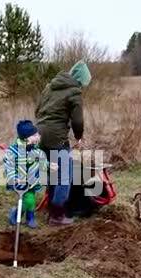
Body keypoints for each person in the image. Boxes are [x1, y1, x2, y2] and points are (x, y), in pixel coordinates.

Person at [35, 60, 92, 226]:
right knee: (64, 175)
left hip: (38, 133)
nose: (83, 87)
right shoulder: (74, 92)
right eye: (84, 84)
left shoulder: (49, 87)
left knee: (52, 171)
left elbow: (37, 110)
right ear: (80, 81)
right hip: (56, 137)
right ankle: (57, 215)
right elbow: (77, 120)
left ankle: (50, 207)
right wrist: (78, 136)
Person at [3, 120, 45, 229]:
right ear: (27, 138)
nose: (38, 136)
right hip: (19, 182)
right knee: (29, 200)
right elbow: (9, 167)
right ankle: (25, 217)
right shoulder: (13, 152)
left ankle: (21, 215)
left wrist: (49, 166)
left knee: (29, 200)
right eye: (35, 135)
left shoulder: (36, 150)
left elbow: (42, 162)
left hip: (31, 181)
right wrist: (14, 178)